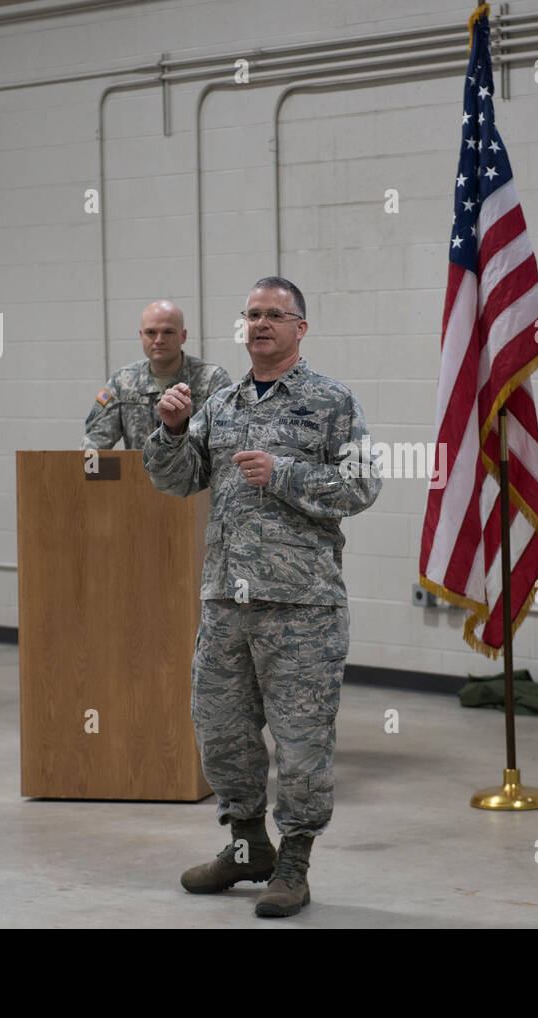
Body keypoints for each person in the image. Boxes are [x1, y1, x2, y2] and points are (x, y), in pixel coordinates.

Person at [142, 276, 380, 918]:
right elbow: (179, 480)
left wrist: (286, 474)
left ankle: (295, 864)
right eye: (251, 314)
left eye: (275, 315)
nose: (260, 324)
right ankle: (249, 849)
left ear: (301, 328)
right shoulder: (221, 403)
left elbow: (363, 486)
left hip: (302, 607)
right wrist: (168, 431)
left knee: (302, 745)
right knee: (220, 733)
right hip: (225, 600)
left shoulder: (331, 402)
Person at [81, 300, 231, 450]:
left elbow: (226, 442)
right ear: (141, 335)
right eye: (151, 332)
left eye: (168, 332)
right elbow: (94, 439)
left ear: (183, 336)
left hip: (193, 473)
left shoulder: (212, 379)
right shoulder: (123, 381)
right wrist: (91, 470)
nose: (159, 340)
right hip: (135, 472)